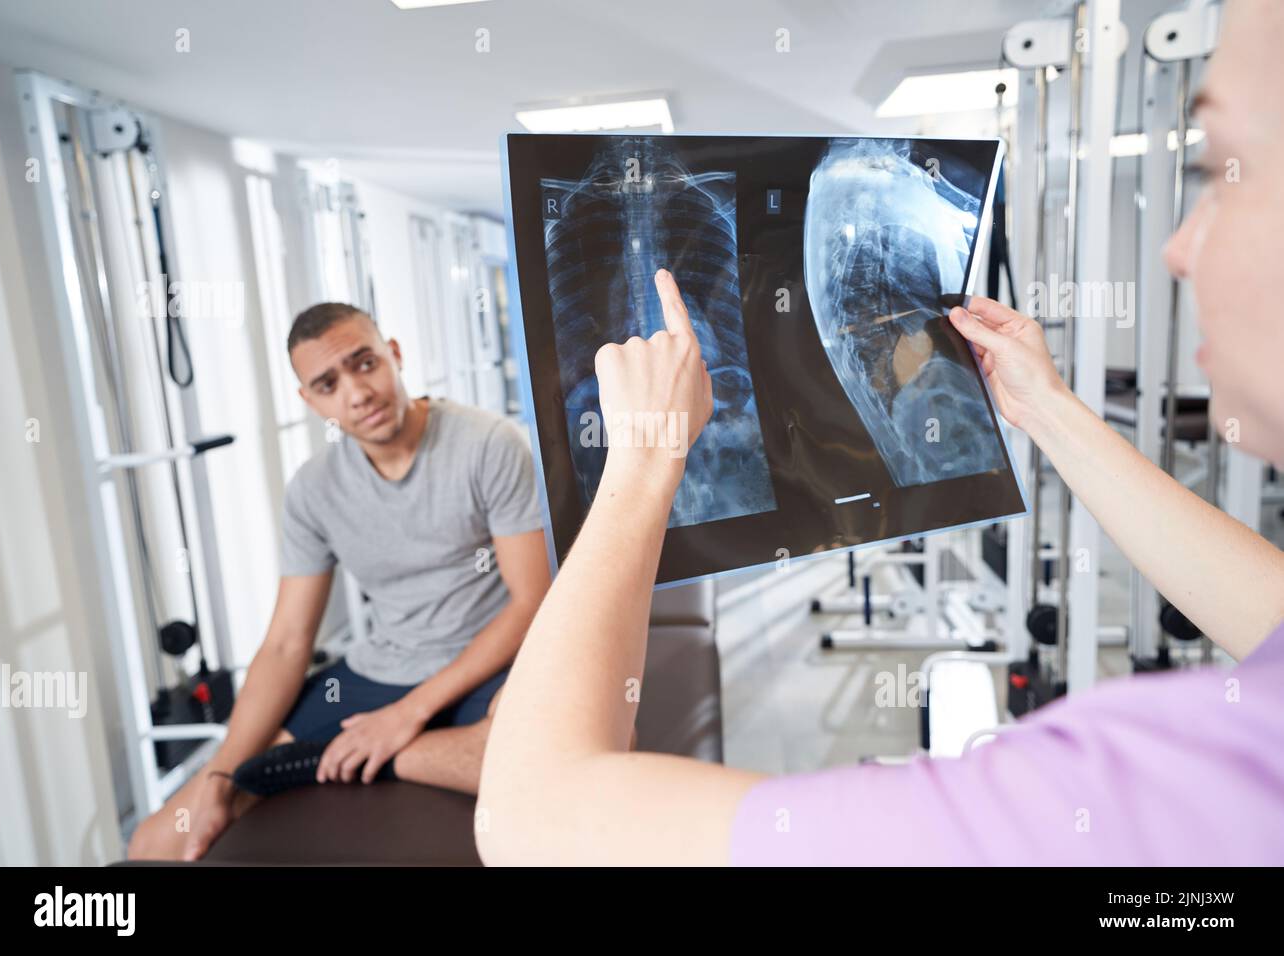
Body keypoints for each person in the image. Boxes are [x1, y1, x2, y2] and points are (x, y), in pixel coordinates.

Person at [475, 0, 1284, 866]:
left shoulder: (1146, 784)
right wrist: (1046, 408)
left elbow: (531, 815)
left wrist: (643, 460)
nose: (1176, 248)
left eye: (1217, 170)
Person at [128, 302, 548, 861]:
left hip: (486, 664)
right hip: (377, 673)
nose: (356, 392)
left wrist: (405, 719)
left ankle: (366, 755)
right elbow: (285, 644)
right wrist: (221, 778)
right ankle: (356, 750)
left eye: (365, 363)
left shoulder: (488, 444)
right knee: (156, 839)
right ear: (310, 401)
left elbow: (530, 604)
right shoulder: (313, 490)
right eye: (328, 383)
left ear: (394, 356)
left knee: (540, 763)